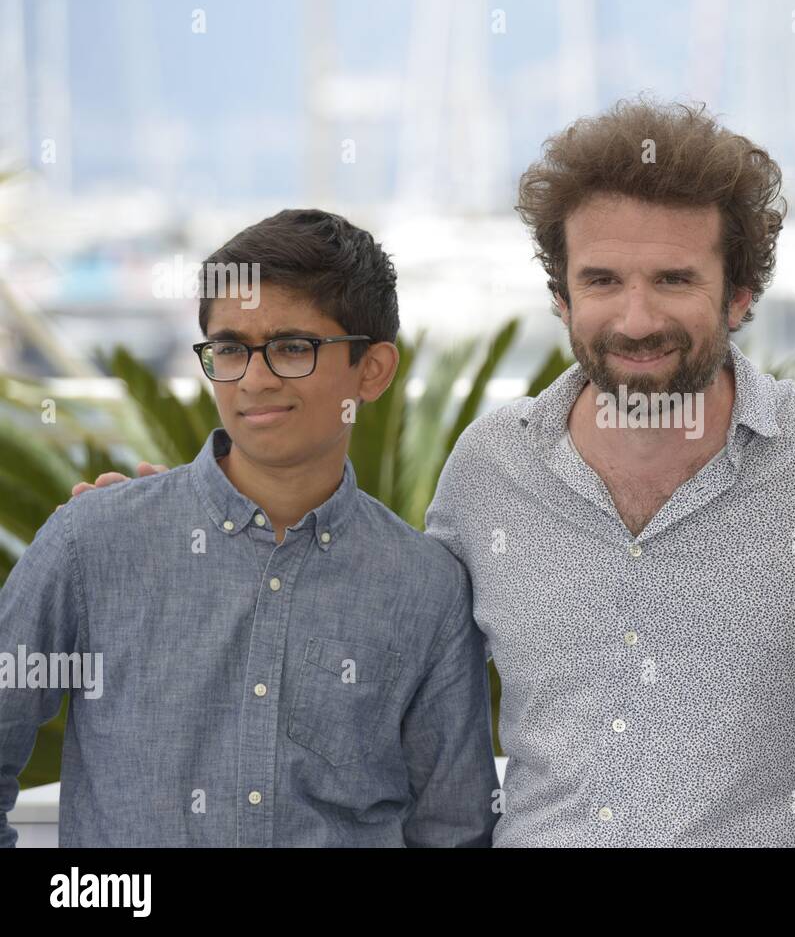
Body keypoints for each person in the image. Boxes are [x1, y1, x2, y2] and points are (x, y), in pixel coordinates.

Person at [60, 101, 795, 847]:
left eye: (673, 281)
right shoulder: (488, 468)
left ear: (740, 295)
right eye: (602, 281)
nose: (636, 315)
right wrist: (177, 507)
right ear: (560, 295)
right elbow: (354, 579)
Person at [0, 209, 499, 846]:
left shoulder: (425, 589)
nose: (254, 380)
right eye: (231, 349)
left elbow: (453, 833)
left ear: (372, 370)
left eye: (293, 348)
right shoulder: (91, 544)